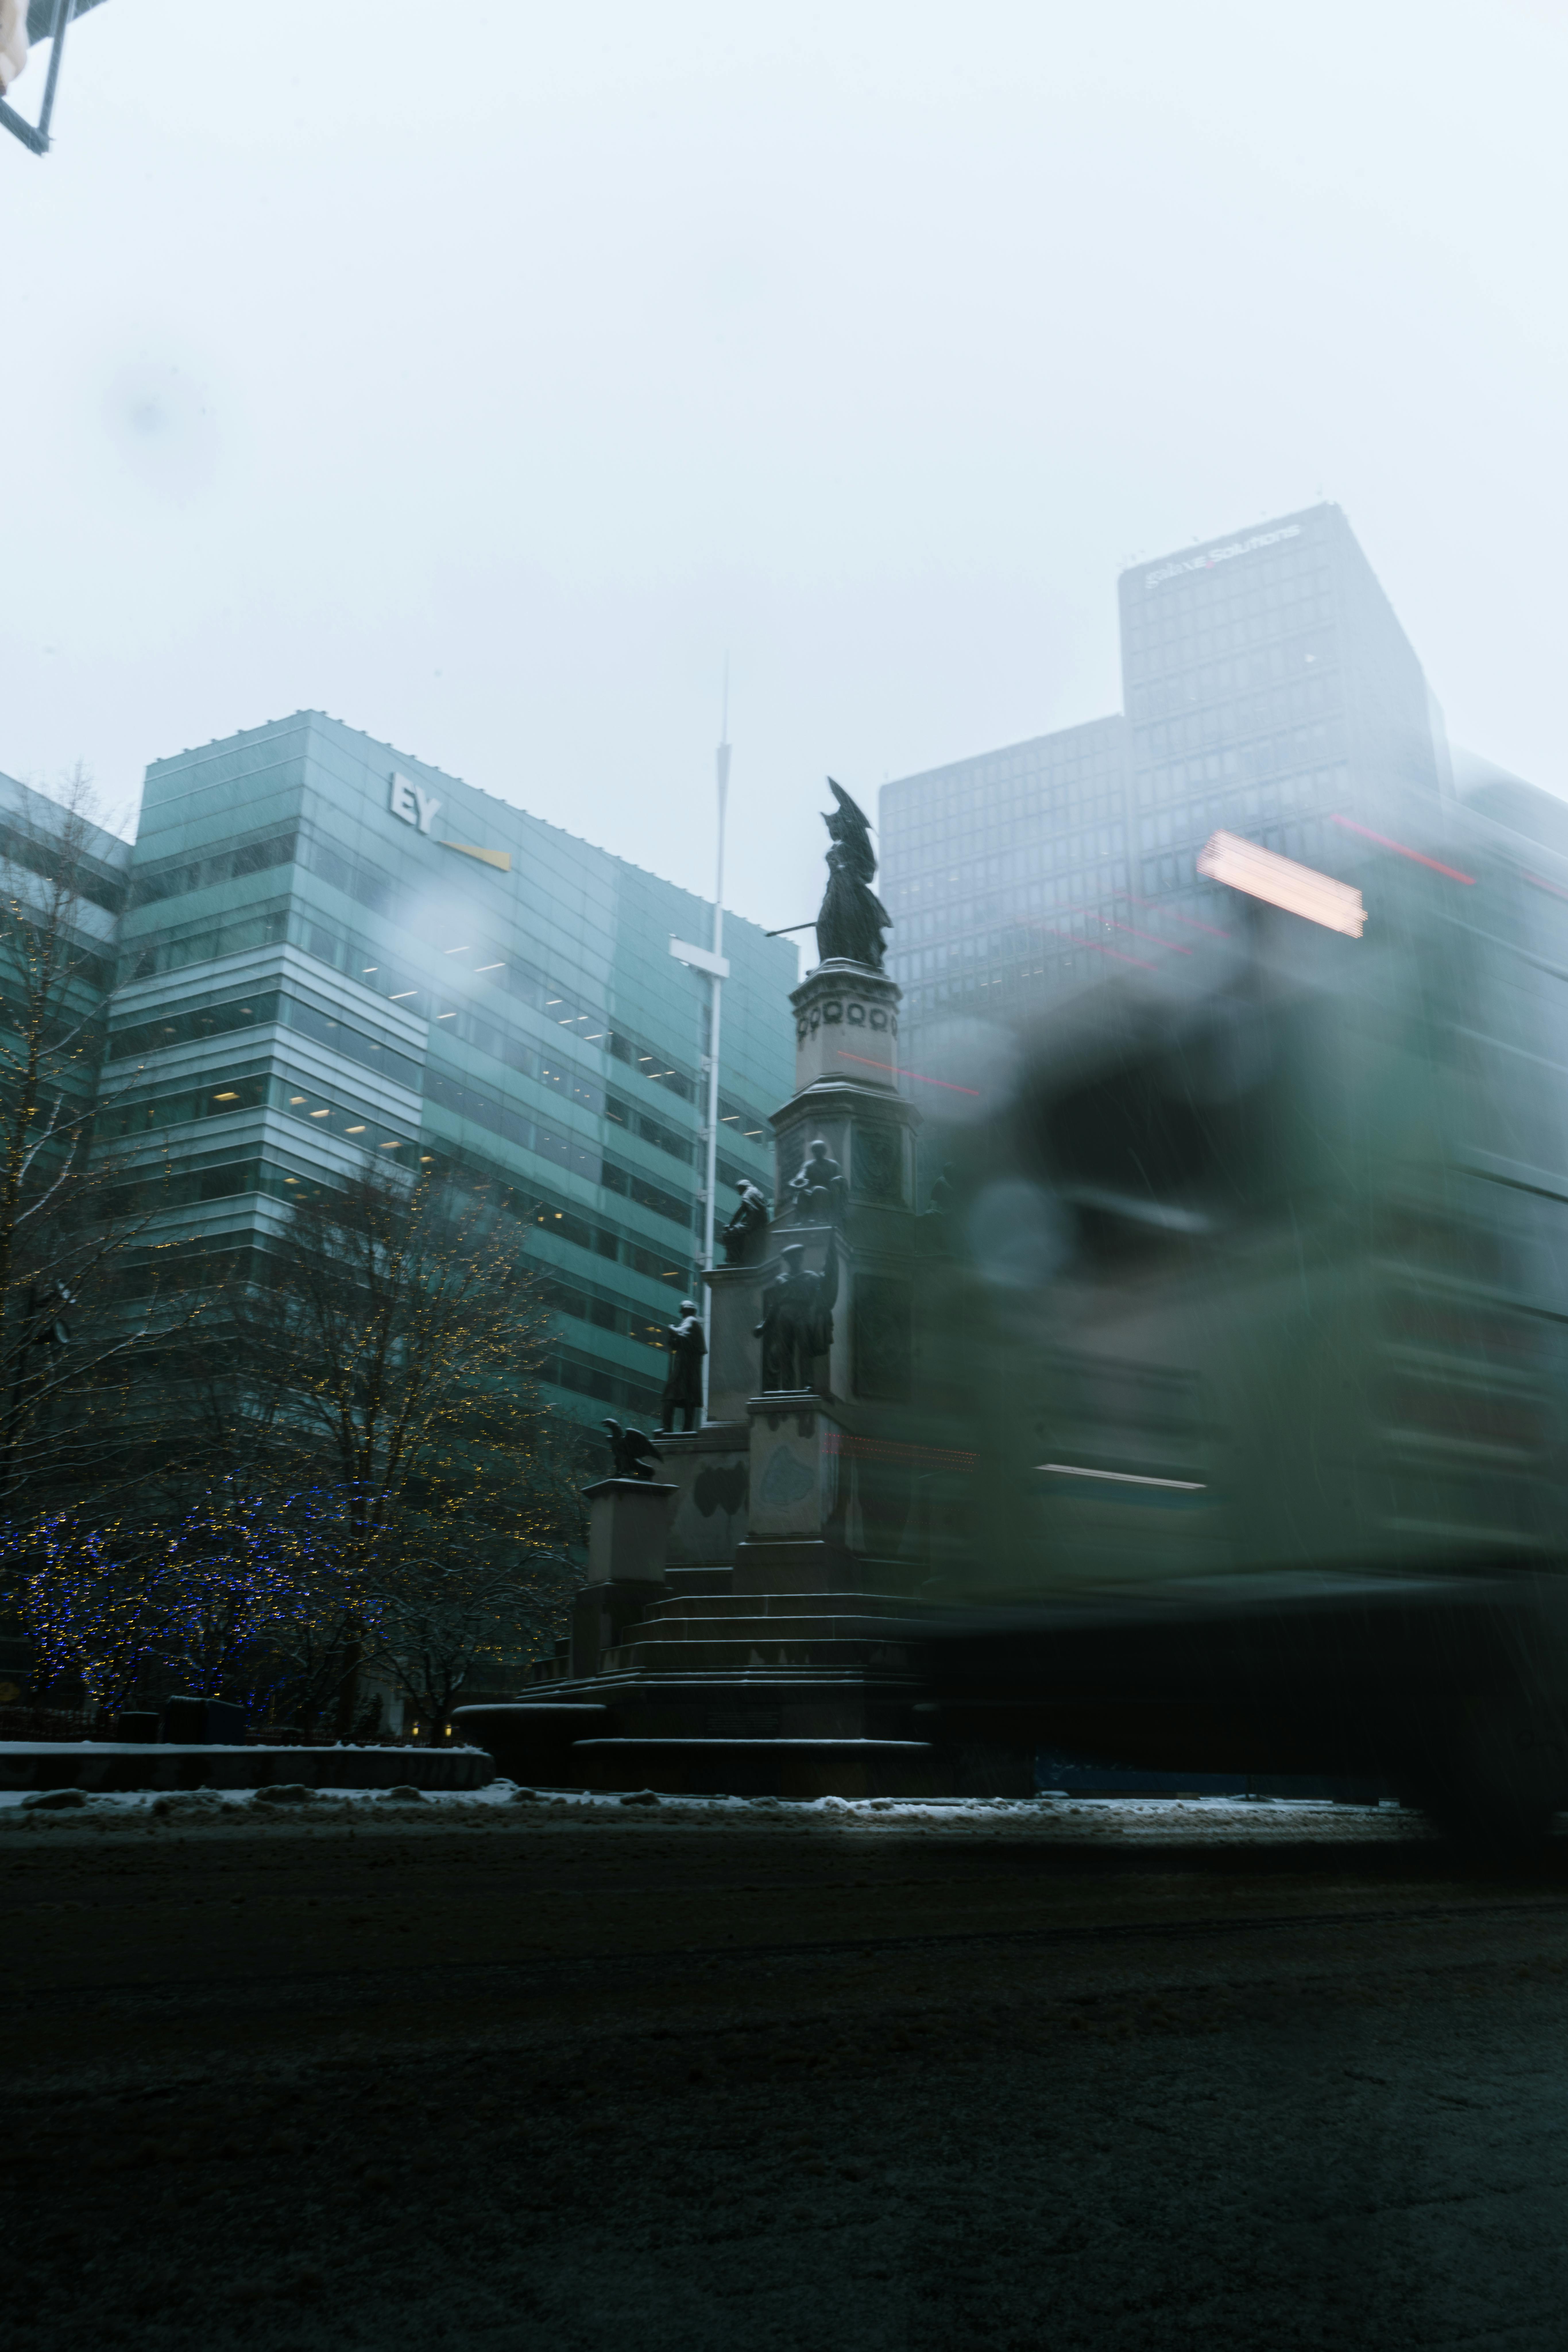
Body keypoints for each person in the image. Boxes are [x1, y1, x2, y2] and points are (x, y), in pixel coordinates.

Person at [754, 1237, 838, 1392]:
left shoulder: (812, 1278)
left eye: (799, 1256)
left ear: (802, 1258)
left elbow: (823, 1295)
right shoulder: (780, 1280)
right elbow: (774, 1305)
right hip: (784, 1317)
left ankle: (808, 1384)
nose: (797, 1260)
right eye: (793, 1258)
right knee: (785, 1353)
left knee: (806, 1351)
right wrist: (764, 1325)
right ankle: (786, 1387)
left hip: (803, 1316)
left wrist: (831, 1262)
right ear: (788, 1260)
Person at [659, 1299, 706, 1433]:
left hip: (687, 1369)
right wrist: (673, 1340)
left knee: (673, 1396)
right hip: (685, 1368)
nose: (682, 1314)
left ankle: (669, 1428)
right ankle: (682, 1429)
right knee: (686, 1399)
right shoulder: (691, 1322)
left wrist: (671, 1329)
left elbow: (682, 1334)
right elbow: (680, 1342)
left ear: (685, 1311)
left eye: (682, 1312)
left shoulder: (691, 1321)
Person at [787, 1138, 847, 1225]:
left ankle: (820, 1217)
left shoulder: (833, 1164)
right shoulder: (808, 1165)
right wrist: (800, 1179)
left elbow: (842, 1178)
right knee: (801, 1194)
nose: (817, 1153)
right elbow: (802, 1174)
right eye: (815, 1151)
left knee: (818, 1190)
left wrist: (837, 1180)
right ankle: (804, 1219)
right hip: (810, 1191)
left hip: (829, 1191)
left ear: (824, 1152)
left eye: (819, 1150)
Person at [721, 1178, 770, 1266]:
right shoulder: (758, 1192)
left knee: (728, 1235)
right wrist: (732, 1225)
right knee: (736, 1231)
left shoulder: (748, 1194)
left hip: (754, 1224)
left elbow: (741, 1212)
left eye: (739, 1190)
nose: (739, 1193)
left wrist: (731, 1227)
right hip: (762, 1222)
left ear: (744, 1187)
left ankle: (733, 1259)